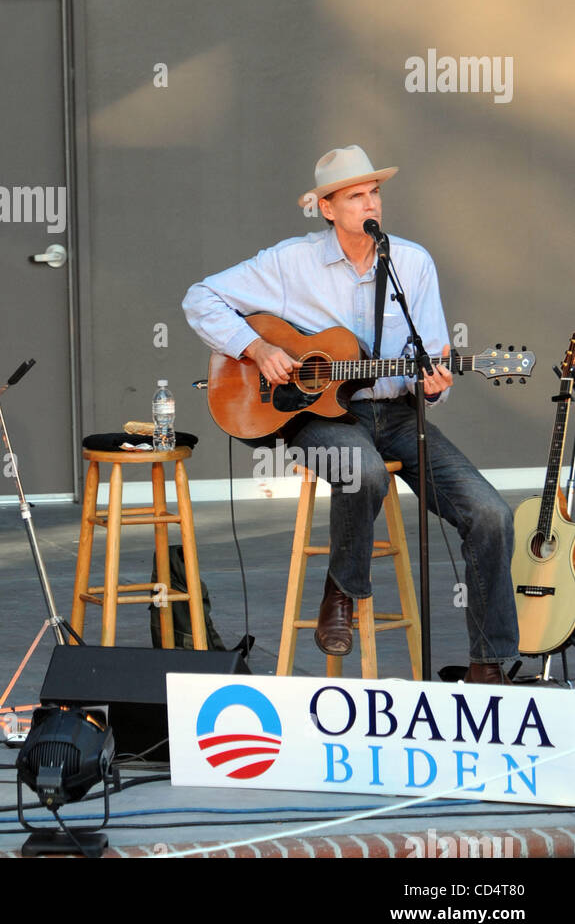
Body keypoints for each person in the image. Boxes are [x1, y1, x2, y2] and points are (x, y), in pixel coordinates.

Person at [182, 145, 518, 684]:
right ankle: (343, 590)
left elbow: (429, 350)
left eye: (375, 192)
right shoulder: (290, 262)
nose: (371, 203)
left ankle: (489, 664)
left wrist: (434, 388)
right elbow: (201, 298)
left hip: (398, 416)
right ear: (326, 208)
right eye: (357, 195)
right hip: (320, 419)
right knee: (360, 474)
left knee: (492, 514)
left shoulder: (411, 262)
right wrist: (255, 348)